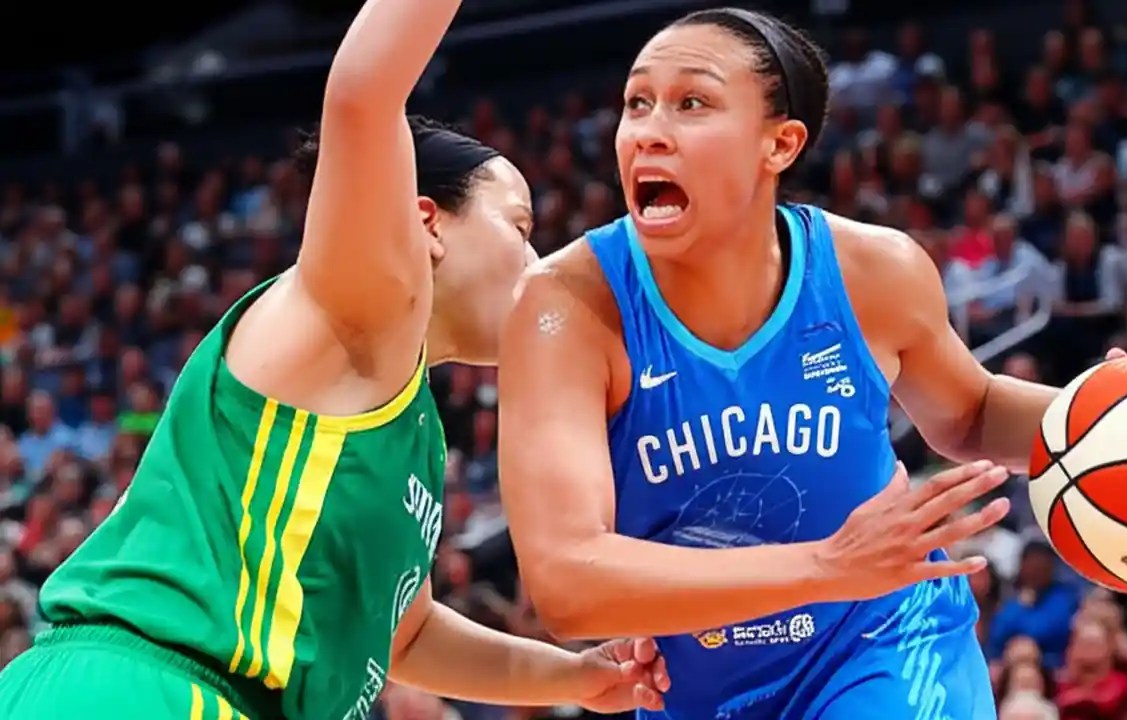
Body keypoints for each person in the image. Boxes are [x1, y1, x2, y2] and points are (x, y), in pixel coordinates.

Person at [497, 7, 1127, 720]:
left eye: (691, 104)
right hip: (694, 685)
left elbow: (970, 413)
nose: (647, 133)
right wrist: (829, 563)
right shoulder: (566, 307)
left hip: (881, 642)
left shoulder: (873, 271)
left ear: (780, 144)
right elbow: (568, 582)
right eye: (637, 104)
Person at [0, 1, 668, 718]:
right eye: (519, 226)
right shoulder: (366, 305)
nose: (535, 263)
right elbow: (363, 90)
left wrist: (573, 677)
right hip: (147, 691)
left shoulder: (405, 417)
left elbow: (405, 637)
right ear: (423, 222)